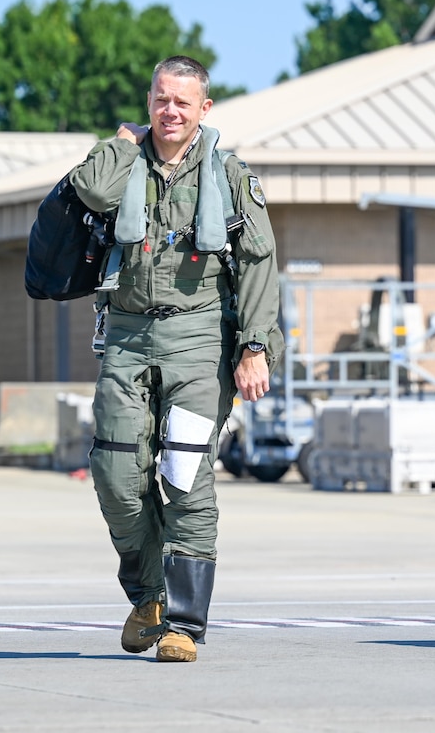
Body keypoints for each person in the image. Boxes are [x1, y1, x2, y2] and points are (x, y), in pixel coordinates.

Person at [71, 55, 282, 663]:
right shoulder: (121, 162)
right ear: (149, 101)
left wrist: (256, 346)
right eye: (162, 99)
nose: (171, 111)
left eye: (183, 102)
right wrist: (119, 145)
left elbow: (260, 265)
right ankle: (148, 596)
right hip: (128, 338)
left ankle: (184, 626)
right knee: (115, 475)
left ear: (204, 109)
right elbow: (89, 190)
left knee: (185, 477)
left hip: (198, 342)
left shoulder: (229, 175)